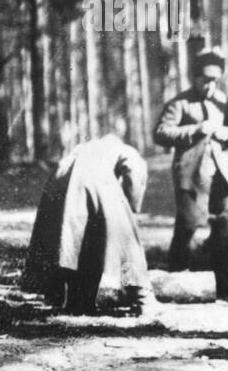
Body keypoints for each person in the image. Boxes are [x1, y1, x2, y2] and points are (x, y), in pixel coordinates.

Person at [21, 135, 152, 314]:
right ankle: (141, 297)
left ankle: (78, 302)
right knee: (127, 243)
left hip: (58, 181)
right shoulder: (124, 149)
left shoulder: (83, 149)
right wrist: (131, 207)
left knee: (74, 245)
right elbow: (134, 170)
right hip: (92, 179)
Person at [153, 49, 228, 279]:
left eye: (215, 81)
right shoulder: (180, 103)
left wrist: (227, 135)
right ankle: (176, 276)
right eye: (206, 80)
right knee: (188, 225)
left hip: (219, 171)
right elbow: (160, 133)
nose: (211, 86)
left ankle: (221, 280)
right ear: (195, 78)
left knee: (225, 223)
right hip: (190, 173)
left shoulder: (222, 101)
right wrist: (196, 130)